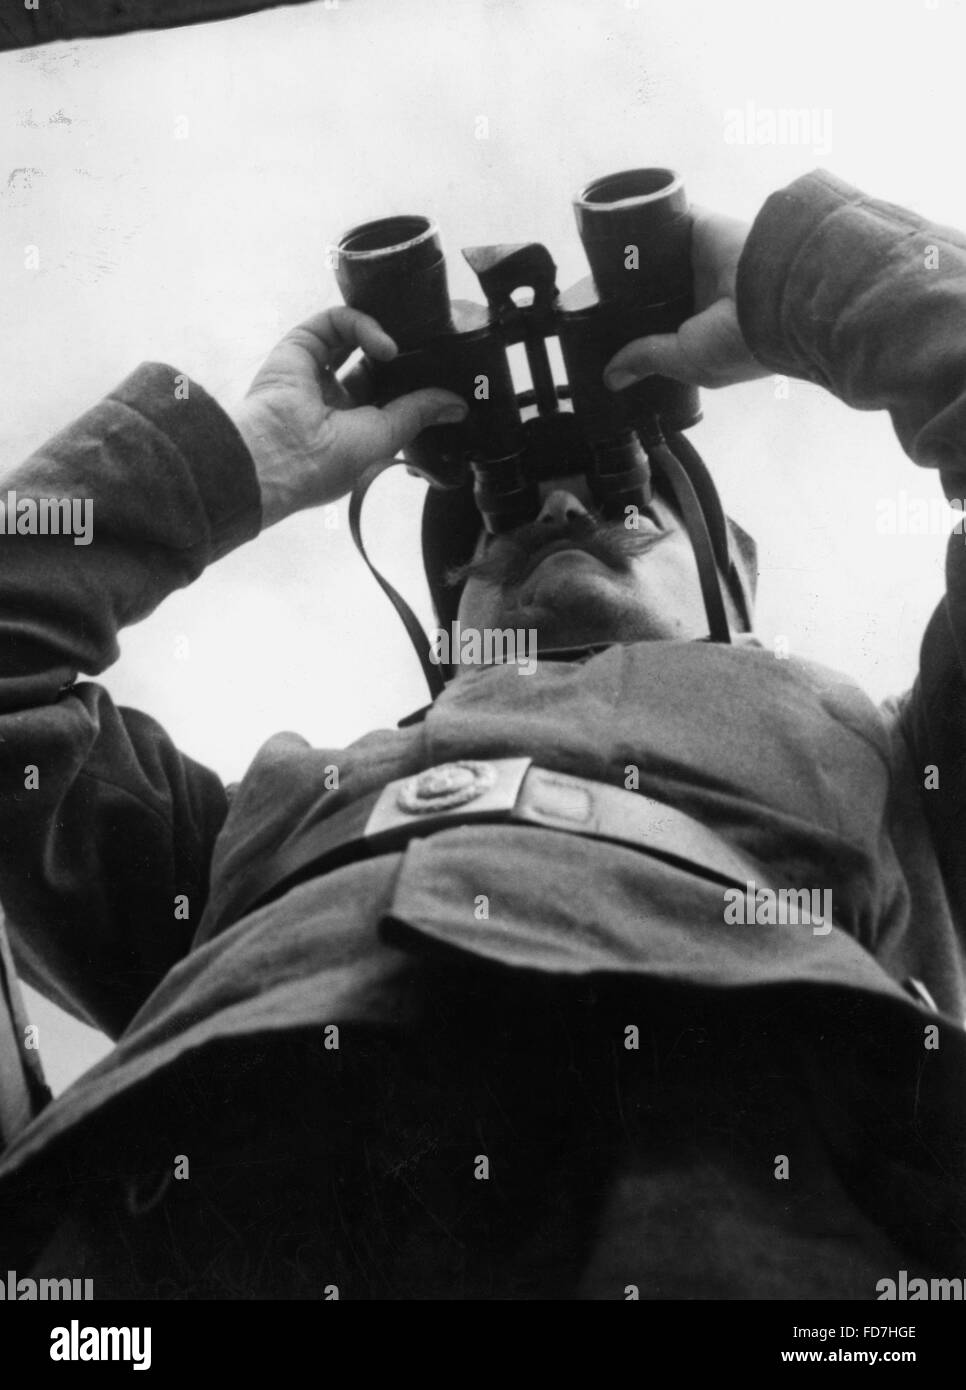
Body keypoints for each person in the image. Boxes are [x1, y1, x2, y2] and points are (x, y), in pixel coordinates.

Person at [1, 167, 965, 1300]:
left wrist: (795, 275)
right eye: (492, 528)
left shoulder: (902, 762)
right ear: (450, 632)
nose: (555, 511)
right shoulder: (274, 812)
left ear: (733, 599)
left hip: (740, 1206)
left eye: (625, 500)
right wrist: (245, 457)